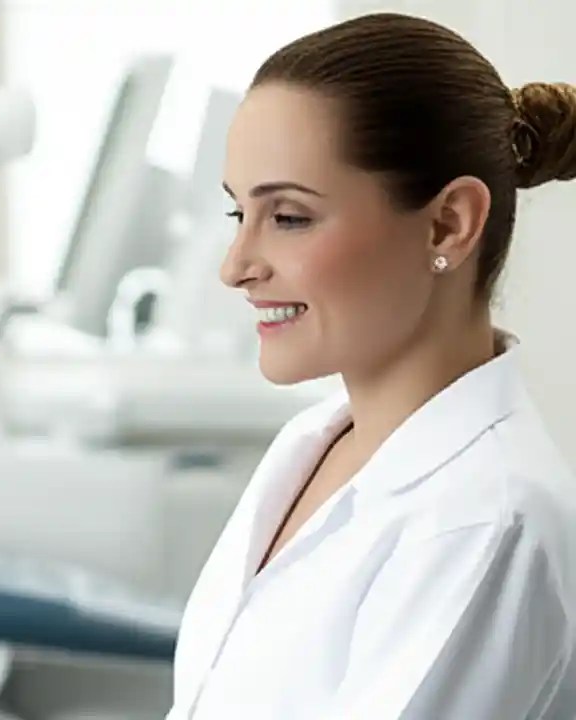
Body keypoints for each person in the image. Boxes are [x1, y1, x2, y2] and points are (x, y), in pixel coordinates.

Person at [168, 12, 576, 719]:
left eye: (289, 216)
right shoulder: (314, 447)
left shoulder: (485, 524)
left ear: (448, 223)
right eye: (240, 215)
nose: (235, 267)